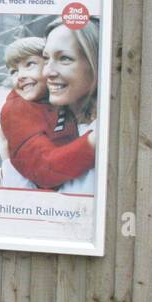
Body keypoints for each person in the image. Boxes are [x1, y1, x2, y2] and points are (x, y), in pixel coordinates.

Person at [0, 34, 96, 190]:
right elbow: (42, 168)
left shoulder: (53, 98)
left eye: (30, 64)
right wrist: (92, 144)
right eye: (13, 71)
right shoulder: (17, 110)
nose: (20, 76)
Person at [43, 17, 100, 195]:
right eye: (46, 59)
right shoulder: (50, 125)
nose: (47, 72)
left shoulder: (104, 136)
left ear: (96, 64)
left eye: (64, 59)